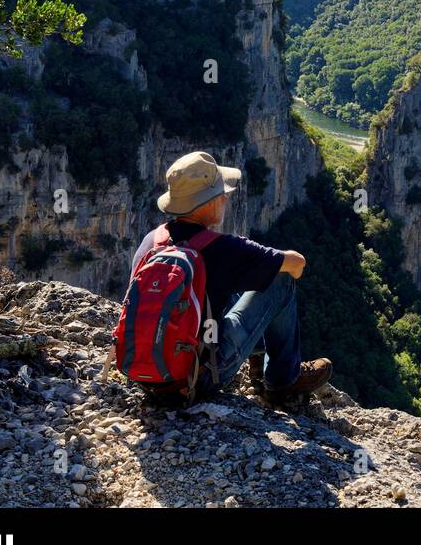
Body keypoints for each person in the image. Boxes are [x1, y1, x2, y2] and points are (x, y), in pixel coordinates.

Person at [129, 151, 332, 403]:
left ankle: (257, 363)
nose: (226, 197)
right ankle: (283, 382)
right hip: (198, 378)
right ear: (208, 202)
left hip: (145, 374)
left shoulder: (152, 240)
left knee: (233, 290)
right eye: (221, 193)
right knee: (280, 280)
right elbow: (296, 263)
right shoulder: (222, 248)